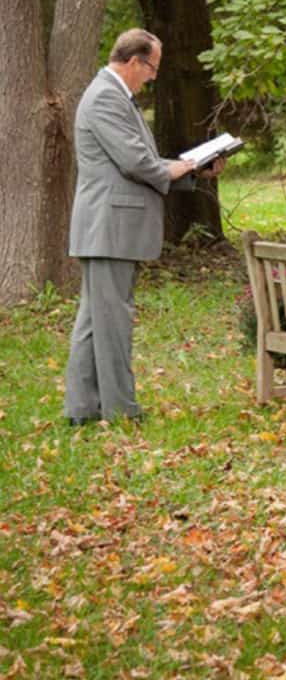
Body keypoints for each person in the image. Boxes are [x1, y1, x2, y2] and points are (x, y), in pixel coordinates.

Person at [63, 29, 215, 424]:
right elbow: (137, 163)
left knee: (95, 320)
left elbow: (139, 159)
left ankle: (82, 408)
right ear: (133, 61)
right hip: (110, 227)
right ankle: (121, 411)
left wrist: (192, 170)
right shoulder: (105, 99)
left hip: (109, 227)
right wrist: (185, 166)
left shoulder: (115, 97)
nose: (152, 76)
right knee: (111, 323)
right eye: (151, 67)